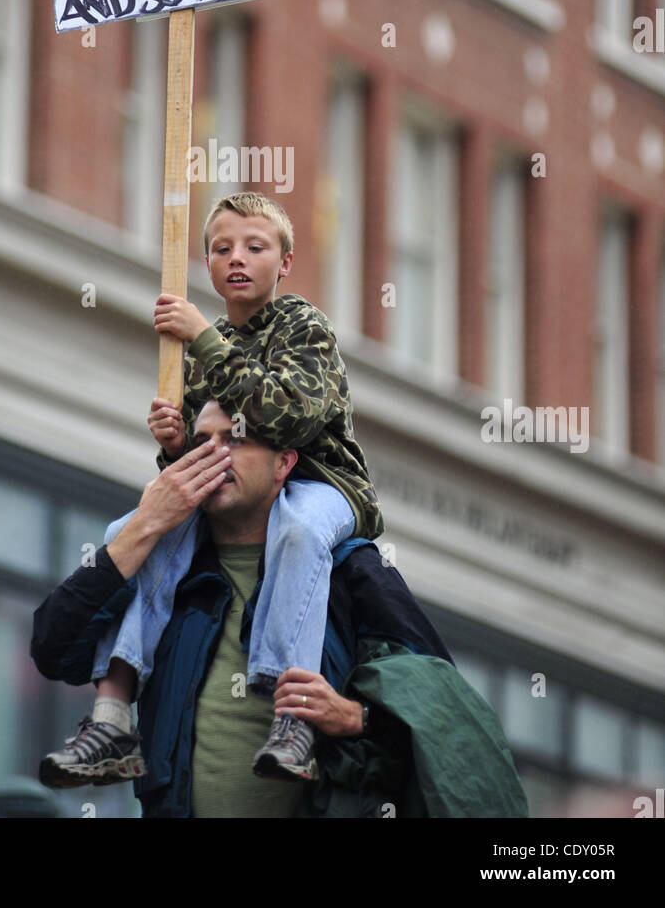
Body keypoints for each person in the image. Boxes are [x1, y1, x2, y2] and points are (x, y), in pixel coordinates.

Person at [30, 400, 530, 819]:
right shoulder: (168, 570)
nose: (216, 455)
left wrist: (354, 717)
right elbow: (54, 649)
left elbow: (443, 724)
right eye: (203, 441)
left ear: (284, 463)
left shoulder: (352, 575)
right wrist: (143, 527)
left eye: (237, 439)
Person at [38, 191, 382, 789]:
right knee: (134, 529)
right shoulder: (204, 345)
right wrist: (174, 443)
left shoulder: (304, 327)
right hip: (242, 489)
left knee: (298, 531)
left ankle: (290, 712)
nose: (237, 258)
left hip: (320, 481)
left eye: (255, 246)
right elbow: (213, 443)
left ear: (286, 261)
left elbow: (288, 416)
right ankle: (114, 710)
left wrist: (204, 340)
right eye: (221, 248)